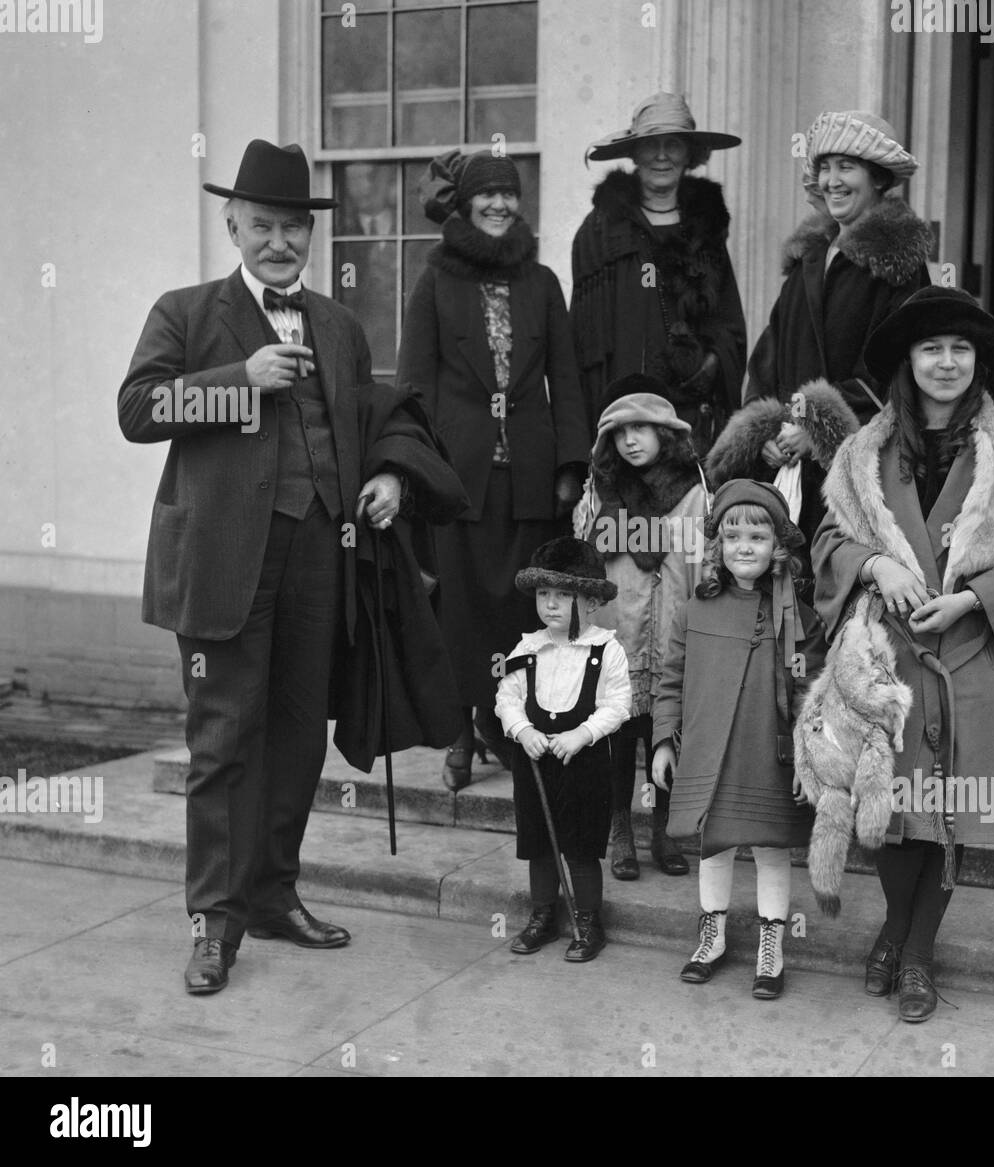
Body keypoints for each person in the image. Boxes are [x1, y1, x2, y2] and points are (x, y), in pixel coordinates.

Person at [118, 139, 463, 994]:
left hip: (324, 558)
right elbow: (137, 409)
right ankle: (214, 923)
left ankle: (273, 894)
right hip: (223, 564)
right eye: (262, 225)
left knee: (298, 737)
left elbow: (381, 415)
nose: (278, 242)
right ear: (232, 224)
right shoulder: (188, 312)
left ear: (309, 237)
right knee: (223, 744)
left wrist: (386, 475)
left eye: (292, 229)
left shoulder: (340, 327)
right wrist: (241, 379)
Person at [812, 287, 994, 1021]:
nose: (946, 362)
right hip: (884, 661)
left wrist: (972, 597)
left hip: (966, 656)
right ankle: (895, 923)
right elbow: (825, 542)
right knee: (890, 808)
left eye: (960, 348)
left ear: (978, 360)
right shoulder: (862, 453)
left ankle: (915, 951)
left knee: (946, 808)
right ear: (908, 362)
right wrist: (871, 563)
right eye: (931, 348)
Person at [398, 150, 590, 791]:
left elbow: (564, 380)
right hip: (458, 479)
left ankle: (506, 725)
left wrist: (570, 465)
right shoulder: (435, 282)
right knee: (459, 611)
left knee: (520, 610)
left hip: (528, 478)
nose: (500, 205)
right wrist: (416, 469)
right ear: (466, 205)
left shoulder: (541, 283)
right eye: (487, 196)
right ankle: (459, 732)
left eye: (509, 195)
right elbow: (413, 385)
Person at [652, 479, 826, 1001]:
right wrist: (663, 740)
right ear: (717, 547)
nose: (744, 547)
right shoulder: (694, 610)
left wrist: (809, 759)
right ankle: (713, 937)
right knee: (714, 844)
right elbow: (671, 680)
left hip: (771, 752)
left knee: (772, 847)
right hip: (710, 751)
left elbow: (811, 694)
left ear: (778, 547)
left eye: (757, 536)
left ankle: (772, 946)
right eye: (732, 537)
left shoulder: (801, 616)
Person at [736, 109, 931, 551]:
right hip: (787, 467)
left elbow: (894, 367)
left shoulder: (899, 265)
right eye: (825, 167)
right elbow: (768, 357)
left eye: (847, 166)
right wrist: (767, 430)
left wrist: (817, 430)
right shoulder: (810, 258)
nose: (832, 180)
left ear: (878, 177)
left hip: (859, 469)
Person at [571, 376, 710, 880]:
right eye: (621, 430)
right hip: (617, 631)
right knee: (616, 739)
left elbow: (703, 559)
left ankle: (663, 828)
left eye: (642, 428)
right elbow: (584, 555)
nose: (631, 440)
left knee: (665, 734)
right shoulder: (601, 488)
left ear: (665, 432)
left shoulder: (694, 491)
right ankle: (620, 830)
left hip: (671, 632)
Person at [571, 92, 747, 455]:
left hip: (689, 421)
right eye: (651, 145)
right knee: (624, 514)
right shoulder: (600, 231)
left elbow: (730, 325)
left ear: (690, 154)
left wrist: (710, 366)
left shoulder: (706, 231)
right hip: (621, 420)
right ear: (634, 154)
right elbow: (582, 340)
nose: (662, 156)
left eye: (674, 145)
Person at [496, 538, 632, 962]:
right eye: (543, 594)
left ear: (590, 602)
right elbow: (506, 697)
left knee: (580, 844)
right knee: (539, 843)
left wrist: (583, 734)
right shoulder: (528, 648)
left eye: (563, 595)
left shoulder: (606, 650)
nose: (550, 604)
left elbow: (618, 705)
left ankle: (588, 920)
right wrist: (522, 730)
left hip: (584, 763)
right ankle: (543, 915)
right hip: (535, 761)